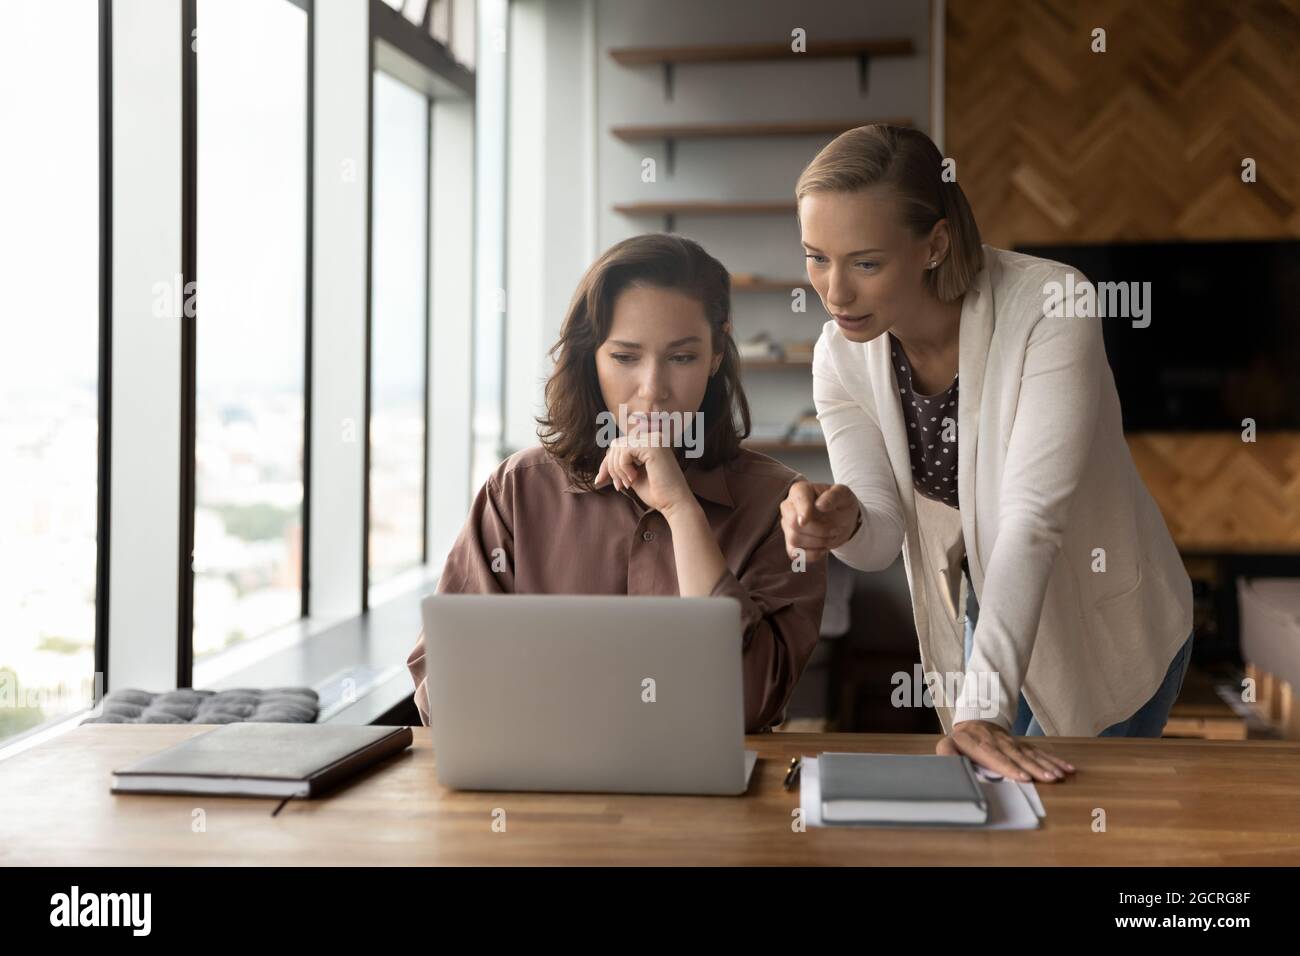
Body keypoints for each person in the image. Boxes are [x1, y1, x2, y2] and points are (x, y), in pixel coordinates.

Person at [780, 124, 1194, 783]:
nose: (834, 293)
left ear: (935, 243)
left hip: (1105, 623)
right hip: (991, 610)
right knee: (997, 825)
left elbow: (1031, 517)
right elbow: (882, 537)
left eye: (864, 262)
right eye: (816, 257)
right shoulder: (840, 354)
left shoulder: (1051, 304)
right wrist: (844, 521)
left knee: (1081, 836)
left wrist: (982, 711)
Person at [406, 233, 827, 733]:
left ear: (716, 354)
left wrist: (681, 512)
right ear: (592, 359)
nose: (653, 390)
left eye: (682, 357)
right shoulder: (517, 491)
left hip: (711, 806)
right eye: (626, 358)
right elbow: (444, 699)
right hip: (541, 795)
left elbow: (745, 706)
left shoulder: (777, 505)